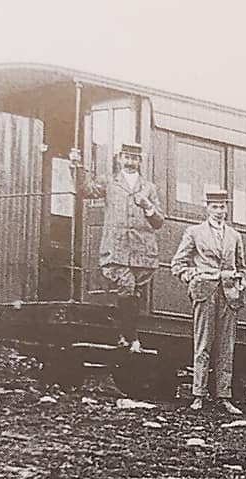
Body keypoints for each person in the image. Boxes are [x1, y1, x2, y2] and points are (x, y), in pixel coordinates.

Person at [76, 142, 165, 353]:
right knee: (126, 285)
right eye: (127, 157)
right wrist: (77, 166)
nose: (131, 162)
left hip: (142, 250)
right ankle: (131, 338)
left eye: (135, 158)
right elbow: (85, 190)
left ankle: (127, 337)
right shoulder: (110, 182)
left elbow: (159, 222)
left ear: (140, 161)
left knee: (133, 292)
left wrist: (148, 207)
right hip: (117, 248)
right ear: (119, 158)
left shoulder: (149, 188)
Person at [169, 190, 246, 414]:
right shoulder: (194, 232)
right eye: (215, 207)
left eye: (223, 207)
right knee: (203, 344)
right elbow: (177, 264)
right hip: (205, 292)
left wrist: (240, 284)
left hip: (229, 295)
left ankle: (224, 396)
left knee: (226, 347)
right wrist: (192, 276)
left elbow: (241, 267)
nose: (220, 211)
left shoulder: (234, 236)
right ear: (207, 208)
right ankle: (198, 395)